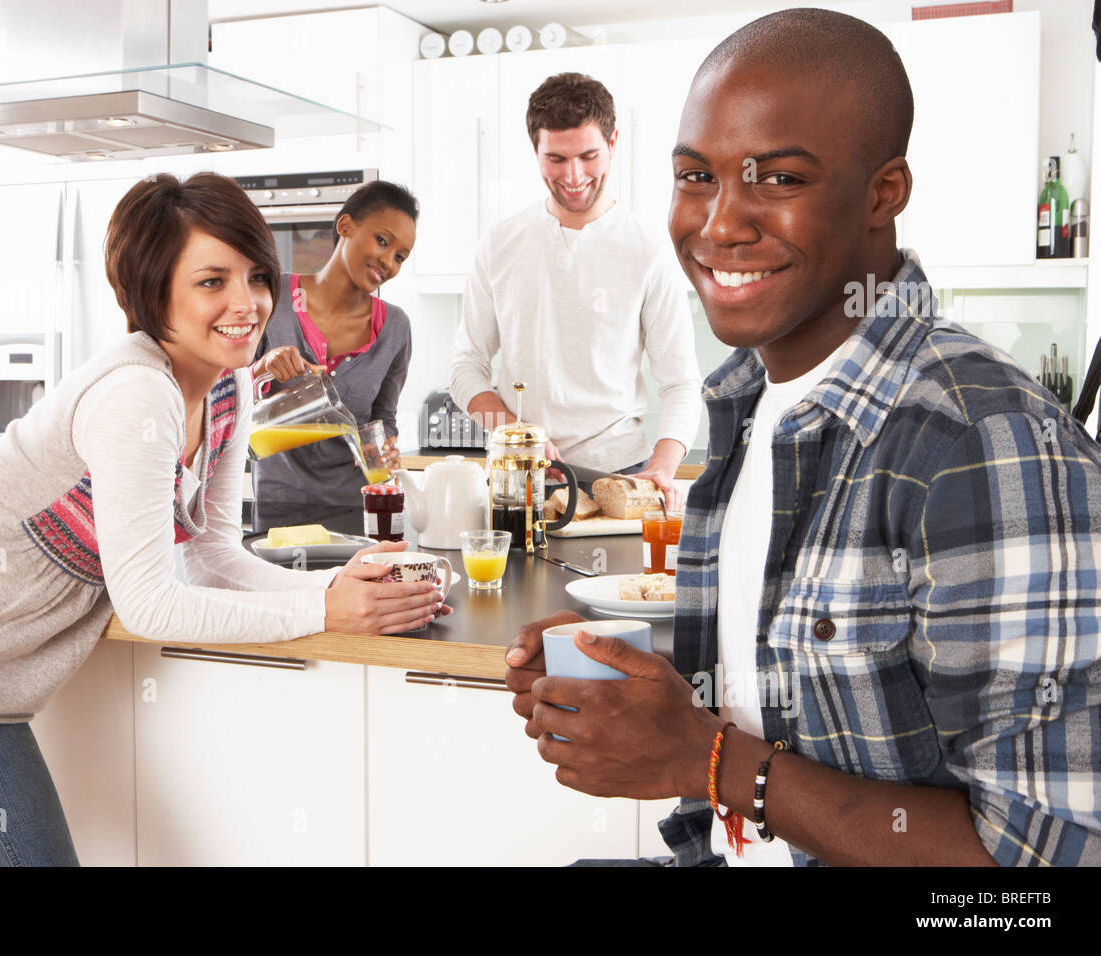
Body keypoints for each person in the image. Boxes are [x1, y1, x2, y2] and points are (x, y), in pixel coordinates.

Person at [504, 9, 1101, 866]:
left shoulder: (984, 447)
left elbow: (1037, 875)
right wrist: (658, 698)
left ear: (883, 193)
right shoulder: (753, 407)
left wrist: (706, 758)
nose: (719, 226)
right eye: (694, 177)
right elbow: (796, 700)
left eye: (778, 180)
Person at [0, 171, 446, 866]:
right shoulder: (136, 394)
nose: (247, 303)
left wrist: (338, 590)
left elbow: (214, 557)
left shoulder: (229, 386)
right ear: (151, 289)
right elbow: (150, 602)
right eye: (211, 281)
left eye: (256, 277)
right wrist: (326, 614)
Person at [448, 72, 702, 507]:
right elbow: (465, 367)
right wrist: (514, 433)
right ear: (536, 152)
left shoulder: (648, 249)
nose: (574, 175)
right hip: (518, 476)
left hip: (617, 478)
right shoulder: (499, 244)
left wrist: (662, 465)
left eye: (588, 156)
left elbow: (680, 382)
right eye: (557, 159)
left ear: (614, 143)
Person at [250, 181, 417, 508]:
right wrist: (262, 368)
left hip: (356, 509)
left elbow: (382, 418)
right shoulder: (272, 296)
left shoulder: (395, 328)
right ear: (345, 226)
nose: (388, 262)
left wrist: (384, 446)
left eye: (400, 256)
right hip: (279, 508)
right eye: (382, 241)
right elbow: (221, 393)